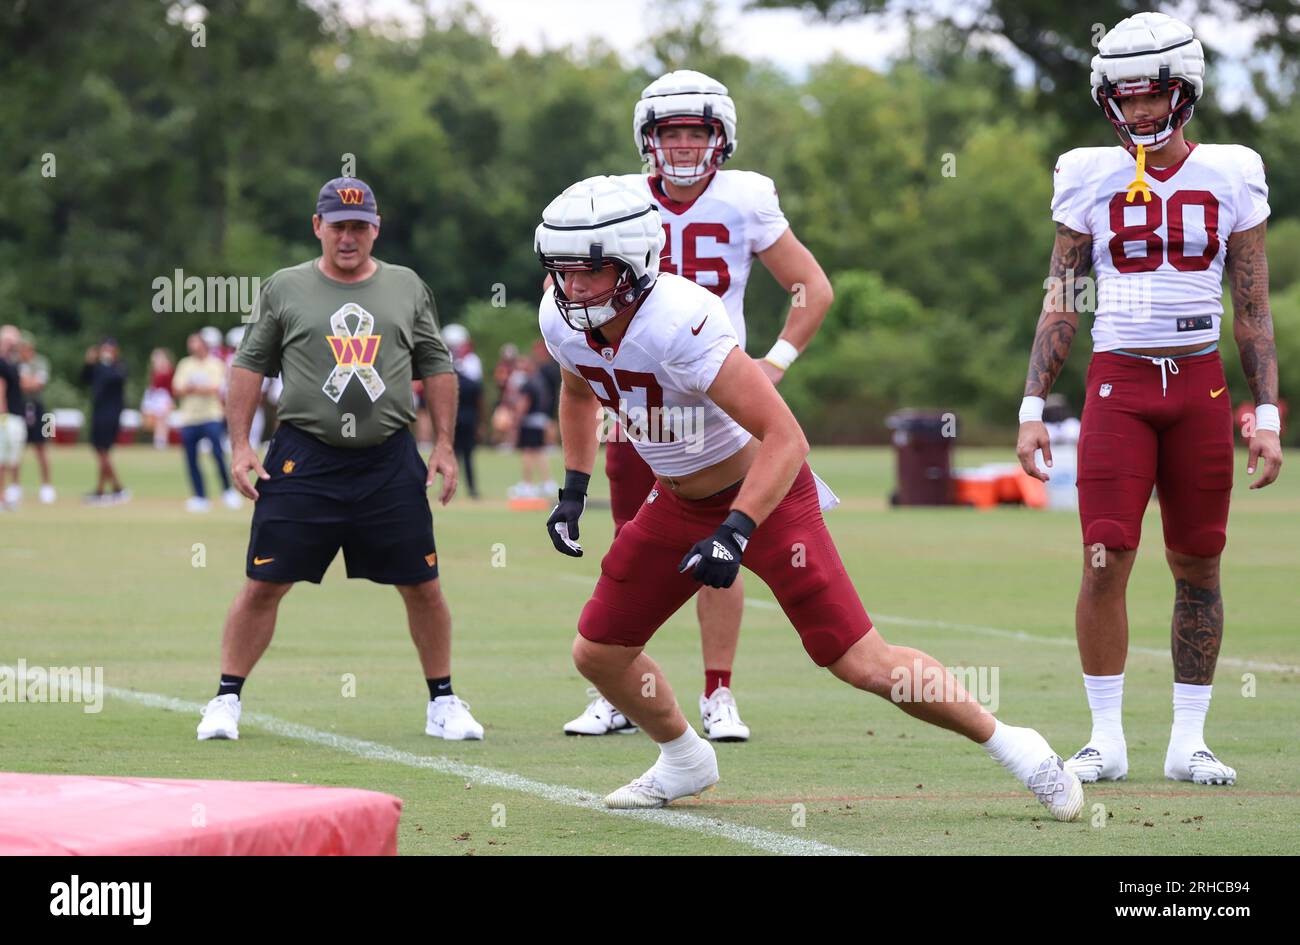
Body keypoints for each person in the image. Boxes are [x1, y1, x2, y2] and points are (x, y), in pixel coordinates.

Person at [537, 175, 1083, 818]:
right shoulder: (560, 316)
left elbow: (785, 437)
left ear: (632, 264)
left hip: (763, 491)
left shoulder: (679, 321)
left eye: (589, 273)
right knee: (598, 651)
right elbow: (578, 392)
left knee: (859, 661)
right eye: (563, 272)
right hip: (677, 499)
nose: (573, 289)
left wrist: (737, 529)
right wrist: (574, 489)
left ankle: (1019, 748)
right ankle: (684, 757)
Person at [1016, 12, 1282, 787]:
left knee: (1200, 561)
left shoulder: (1233, 171)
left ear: (1185, 90)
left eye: (1151, 95)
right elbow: (1063, 297)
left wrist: (1266, 416)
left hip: (1200, 384)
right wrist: (1033, 407)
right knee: (1105, 554)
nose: (1137, 112)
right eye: (1124, 97)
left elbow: (1254, 308)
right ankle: (1105, 737)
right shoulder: (1085, 172)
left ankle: (1188, 739)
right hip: (1119, 382)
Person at [561, 70, 834, 741]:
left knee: (720, 543)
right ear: (647, 139)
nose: (683, 144)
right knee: (632, 546)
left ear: (721, 137)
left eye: (696, 131)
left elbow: (811, 288)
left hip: (718, 401)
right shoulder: (616, 198)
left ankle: (718, 693)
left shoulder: (746, 197)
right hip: (640, 398)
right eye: (670, 132)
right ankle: (626, 688)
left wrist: (774, 364)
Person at [196, 176, 483, 742]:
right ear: (317, 227)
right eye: (338, 226)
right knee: (264, 583)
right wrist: (239, 445)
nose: (348, 237)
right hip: (306, 456)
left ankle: (443, 702)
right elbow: (248, 367)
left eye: (359, 227)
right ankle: (226, 698)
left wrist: (445, 444)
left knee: (423, 583)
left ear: (376, 230)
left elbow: (436, 365)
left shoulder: (406, 286)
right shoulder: (285, 287)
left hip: (389, 458)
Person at [173, 332, 240, 511]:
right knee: (191, 458)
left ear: (203, 344)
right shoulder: (185, 364)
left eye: (195, 342)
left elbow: (215, 387)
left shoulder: (215, 364)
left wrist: (192, 388)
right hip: (189, 418)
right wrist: (196, 388)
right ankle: (200, 496)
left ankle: (227, 491)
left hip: (211, 416)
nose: (192, 346)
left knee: (218, 454)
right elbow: (177, 388)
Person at [81, 337, 129, 504]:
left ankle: (115, 488)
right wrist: (89, 362)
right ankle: (106, 489)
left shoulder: (118, 367)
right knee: (101, 451)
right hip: (98, 412)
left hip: (111, 414)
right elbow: (85, 379)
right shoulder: (97, 368)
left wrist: (105, 364)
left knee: (103, 451)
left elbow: (116, 379)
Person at [443, 323, 484, 499]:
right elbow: (479, 397)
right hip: (465, 418)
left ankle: (450, 488)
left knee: (455, 455)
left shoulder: (452, 376)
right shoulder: (470, 372)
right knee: (463, 455)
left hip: (456, 418)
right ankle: (469, 489)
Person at [18, 333, 56, 504]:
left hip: (40, 409)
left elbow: (36, 384)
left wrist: (27, 382)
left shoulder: (41, 362)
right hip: (20, 408)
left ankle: (47, 486)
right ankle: (14, 487)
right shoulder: (16, 363)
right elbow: (22, 385)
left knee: (42, 448)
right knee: (17, 449)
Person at [0, 326, 25, 510]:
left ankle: (6, 493)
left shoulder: (12, 361)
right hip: (5, 416)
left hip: (15, 413)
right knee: (1, 458)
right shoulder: (2, 362)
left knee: (10, 458)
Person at [142, 348, 176, 449]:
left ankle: (162, 441)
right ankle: (158, 440)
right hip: (156, 397)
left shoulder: (168, 370)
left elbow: (170, 386)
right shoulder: (155, 370)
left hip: (164, 397)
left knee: (163, 420)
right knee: (157, 420)